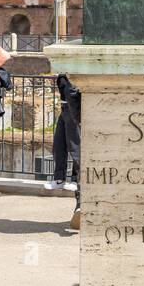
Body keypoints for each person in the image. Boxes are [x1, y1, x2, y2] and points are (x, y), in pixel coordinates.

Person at [45, 72, 81, 201]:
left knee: (75, 146)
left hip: (72, 109)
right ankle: (59, 178)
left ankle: (77, 180)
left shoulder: (74, 70)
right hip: (64, 107)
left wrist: (76, 113)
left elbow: (73, 91)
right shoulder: (65, 71)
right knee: (59, 144)